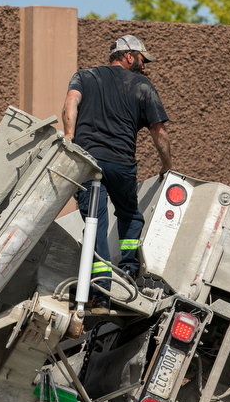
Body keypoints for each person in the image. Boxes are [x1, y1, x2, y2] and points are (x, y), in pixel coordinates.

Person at [62, 35, 172, 309]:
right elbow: (159, 132)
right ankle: (129, 268)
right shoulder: (143, 86)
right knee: (130, 215)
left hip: (87, 163)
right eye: (143, 60)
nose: (145, 66)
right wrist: (167, 165)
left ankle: (100, 291)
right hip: (121, 164)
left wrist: (68, 136)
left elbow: (70, 103)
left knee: (94, 222)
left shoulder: (85, 76)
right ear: (129, 56)